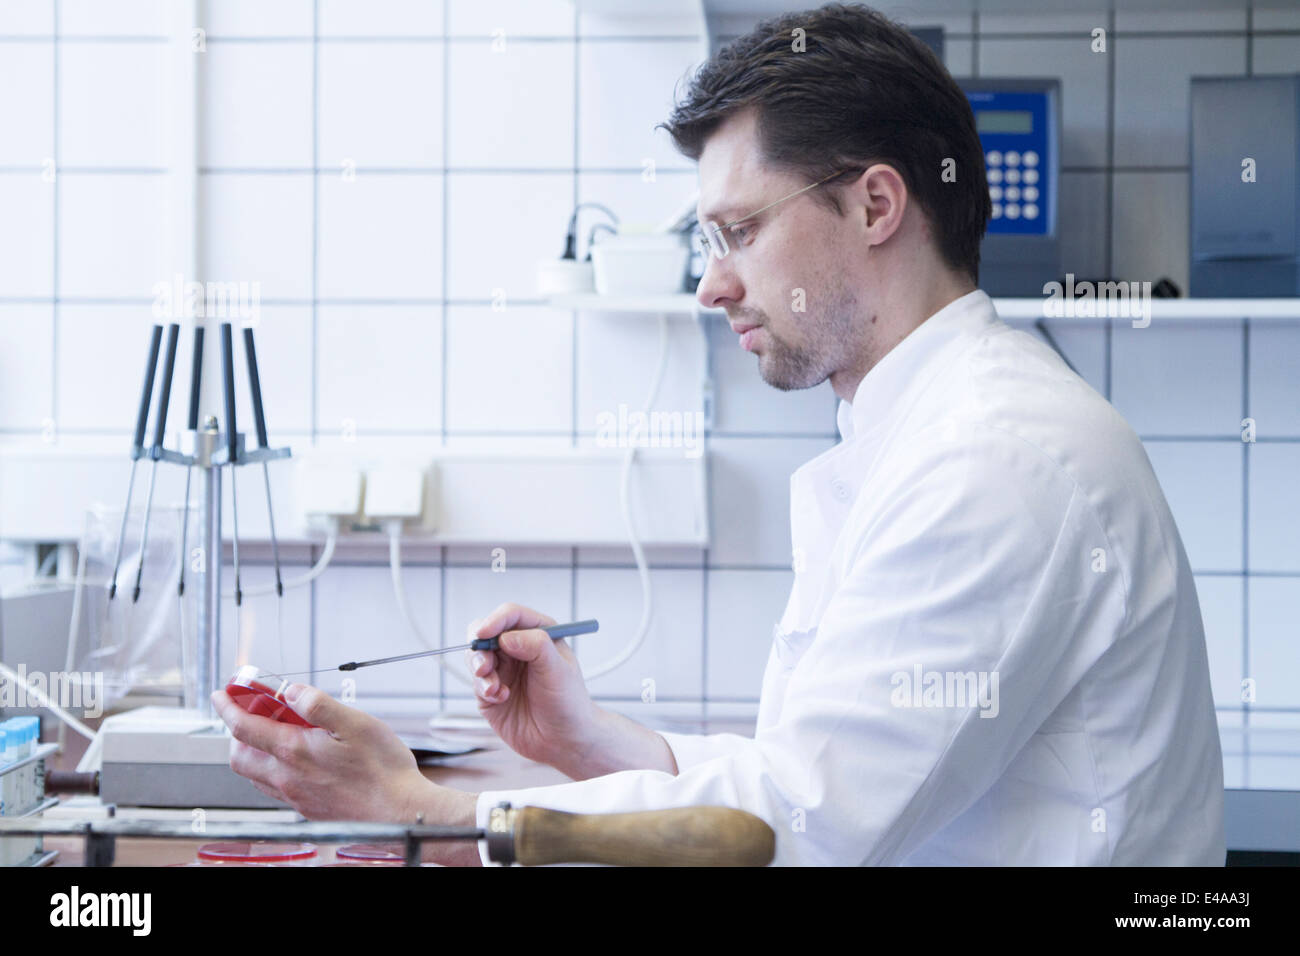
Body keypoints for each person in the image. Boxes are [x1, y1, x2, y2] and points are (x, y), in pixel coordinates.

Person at [214, 2, 1224, 866]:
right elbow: (795, 785)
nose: (711, 283)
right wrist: (592, 739)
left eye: (740, 231)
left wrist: (417, 806)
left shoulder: (993, 459)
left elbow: (797, 826)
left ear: (875, 203)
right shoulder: (930, 430)